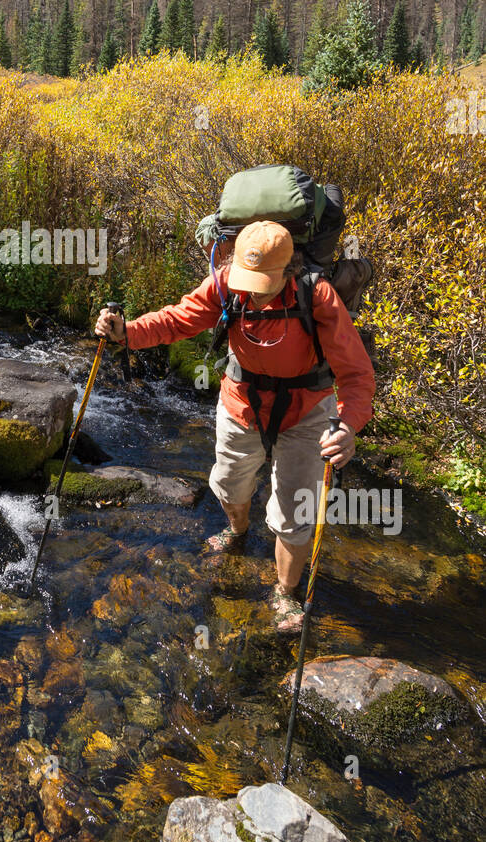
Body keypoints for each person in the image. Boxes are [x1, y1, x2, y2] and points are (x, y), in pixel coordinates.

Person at [94, 220, 376, 633]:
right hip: (241, 402)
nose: (253, 288)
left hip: (307, 412)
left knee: (295, 513)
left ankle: (284, 592)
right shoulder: (227, 282)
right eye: (248, 277)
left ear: (289, 268)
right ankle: (237, 530)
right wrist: (128, 332)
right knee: (228, 485)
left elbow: (356, 376)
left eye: (263, 280)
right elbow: (177, 320)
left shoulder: (316, 295)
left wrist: (348, 426)